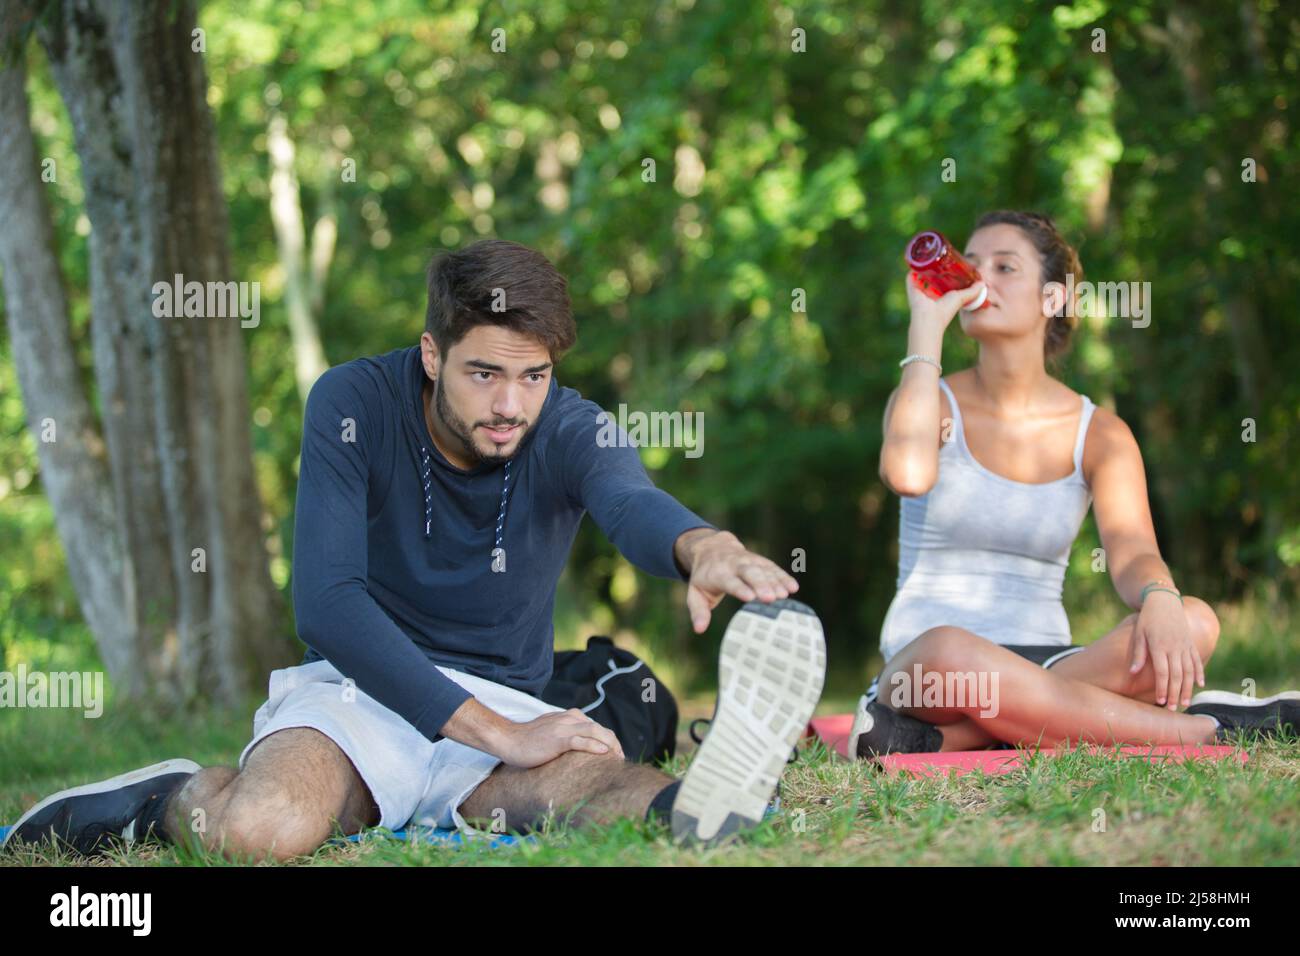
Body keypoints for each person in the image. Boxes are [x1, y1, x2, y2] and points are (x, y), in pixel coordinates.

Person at [4, 239, 826, 860]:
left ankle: (699, 806)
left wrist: (702, 546)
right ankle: (162, 797)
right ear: (431, 355)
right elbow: (328, 606)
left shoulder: (572, 426)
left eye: (533, 377)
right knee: (262, 830)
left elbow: (631, 502)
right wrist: (495, 733)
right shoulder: (352, 402)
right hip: (361, 694)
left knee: (592, 787)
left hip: (507, 704)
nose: (511, 405)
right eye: (484, 375)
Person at [848, 210, 1298, 758]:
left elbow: (1132, 552)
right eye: (972, 261)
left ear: (1053, 298)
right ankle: (1210, 729)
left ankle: (953, 739)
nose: (978, 277)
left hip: (1055, 662)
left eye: (1005, 266)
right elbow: (908, 474)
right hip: (930, 672)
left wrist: (1160, 596)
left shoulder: (1099, 432)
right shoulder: (927, 399)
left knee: (1193, 621)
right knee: (950, 649)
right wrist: (924, 325)